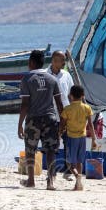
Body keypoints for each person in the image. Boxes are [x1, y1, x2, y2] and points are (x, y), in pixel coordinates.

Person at [18, 50, 63, 190]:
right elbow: (59, 103)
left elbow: (25, 104)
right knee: (50, 151)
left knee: (30, 149)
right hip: (50, 118)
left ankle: (31, 180)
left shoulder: (27, 79)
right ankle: (50, 181)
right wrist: (62, 123)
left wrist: (19, 124)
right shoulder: (52, 79)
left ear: (31, 62)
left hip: (33, 119)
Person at [59, 85, 97, 191]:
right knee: (80, 161)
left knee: (69, 163)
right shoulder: (87, 108)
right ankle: (78, 184)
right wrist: (94, 139)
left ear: (70, 96)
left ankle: (77, 177)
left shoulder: (67, 109)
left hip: (71, 137)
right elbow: (90, 125)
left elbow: (62, 125)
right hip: (82, 137)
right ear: (83, 96)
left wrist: (58, 135)